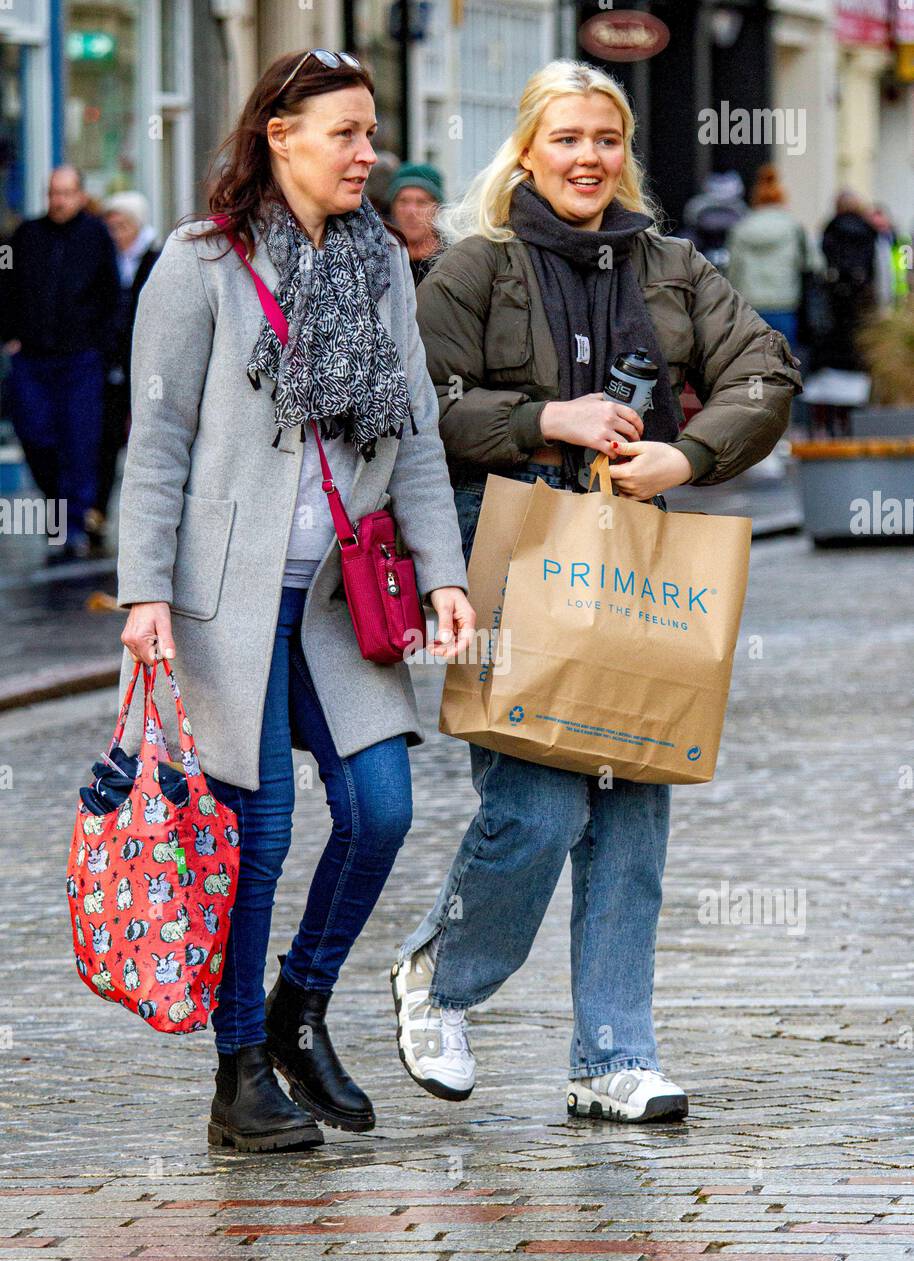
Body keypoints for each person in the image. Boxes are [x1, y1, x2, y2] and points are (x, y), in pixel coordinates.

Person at [391, 59, 802, 1124]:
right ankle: (440, 975)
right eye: (566, 138)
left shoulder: (668, 265)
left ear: (623, 154)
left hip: (632, 551)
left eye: (605, 139)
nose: (587, 158)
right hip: (510, 550)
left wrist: (689, 456)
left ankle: (611, 1053)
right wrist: (542, 422)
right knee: (533, 805)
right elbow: (422, 408)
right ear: (526, 149)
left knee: (631, 806)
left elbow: (765, 370)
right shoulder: (471, 268)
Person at [116, 49, 475, 1152]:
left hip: (337, 596)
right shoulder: (200, 262)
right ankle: (238, 1077)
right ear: (279, 135)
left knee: (382, 809)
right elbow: (159, 441)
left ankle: (296, 1008)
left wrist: (445, 570)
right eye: (345, 134)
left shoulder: (379, 266)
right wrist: (143, 595)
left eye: (370, 133)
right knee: (259, 832)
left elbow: (413, 432)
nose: (367, 154)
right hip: (226, 601)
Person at [0, 165, 119, 561]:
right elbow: (7, 285)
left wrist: (103, 346)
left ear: (81, 195)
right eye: (53, 193)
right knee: (35, 436)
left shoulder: (96, 235)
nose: (59, 200)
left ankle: (72, 526)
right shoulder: (26, 236)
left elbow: (110, 294)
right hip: (32, 359)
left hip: (80, 358)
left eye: (66, 193)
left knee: (79, 442)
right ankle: (60, 513)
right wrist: (10, 335)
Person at [93, 193, 161, 557]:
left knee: (146, 442)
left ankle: (143, 530)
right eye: (111, 226)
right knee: (104, 439)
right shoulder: (105, 259)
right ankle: (97, 514)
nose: (114, 233)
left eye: (120, 226)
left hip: (147, 365)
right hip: (111, 363)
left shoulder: (158, 257)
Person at [725, 163, 809, 353]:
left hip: (750, 305)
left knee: (752, 361)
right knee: (785, 362)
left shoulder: (741, 229)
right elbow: (811, 263)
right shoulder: (793, 228)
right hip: (784, 303)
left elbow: (732, 269)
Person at [819, 190, 878, 372]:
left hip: (835, 290)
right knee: (859, 333)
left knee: (836, 334)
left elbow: (821, 259)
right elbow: (874, 263)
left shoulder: (830, 228)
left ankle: (836, 370)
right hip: (861, 290)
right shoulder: (868, 230)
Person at [389, 162, 445, 284]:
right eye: (403, 201)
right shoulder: (383, 261)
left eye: (421, 202)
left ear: (437, 209)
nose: (411, 212)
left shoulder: (450, 263)